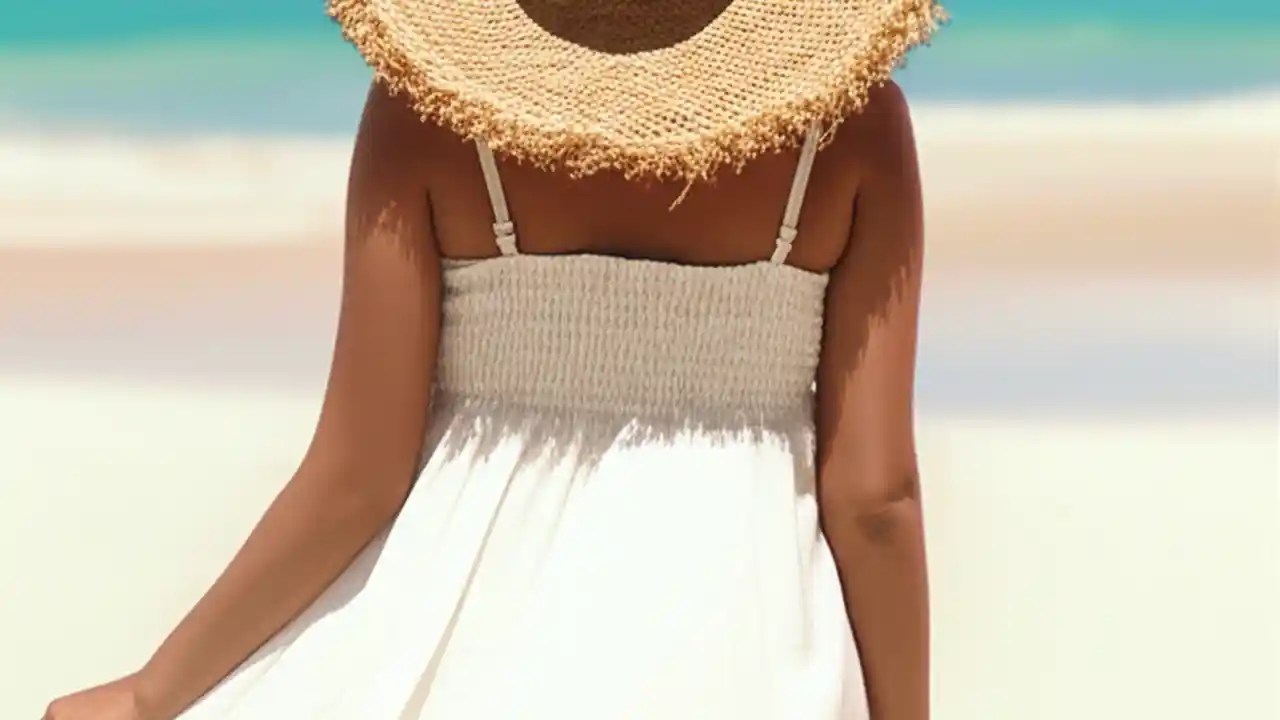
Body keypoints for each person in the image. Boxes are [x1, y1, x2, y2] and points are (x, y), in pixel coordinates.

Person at [44, 1, 944, 718]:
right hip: (745, 628)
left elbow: (358, 475)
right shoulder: (853, 132)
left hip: (472, 603)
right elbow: (873, 499)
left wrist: (151, 694)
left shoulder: (428, 119)